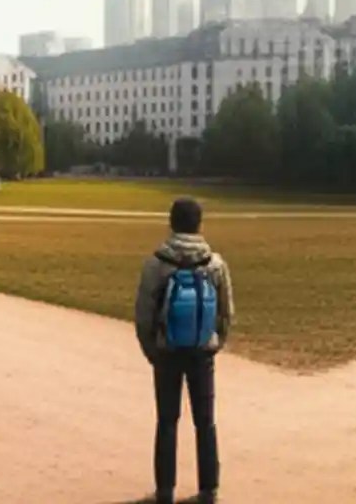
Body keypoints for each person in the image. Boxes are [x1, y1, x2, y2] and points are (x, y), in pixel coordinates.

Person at [134, 198, 235, 504]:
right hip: (202, 351)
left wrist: (152, 351)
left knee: (167, 421)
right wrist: (214, 343)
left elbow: (143, 315)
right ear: (199, 224)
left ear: (172, 223)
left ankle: (165, 490)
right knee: (205, 421)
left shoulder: (156, 264)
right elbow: (226, 313)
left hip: (167, 351)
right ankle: (208, 489)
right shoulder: (215, 263)